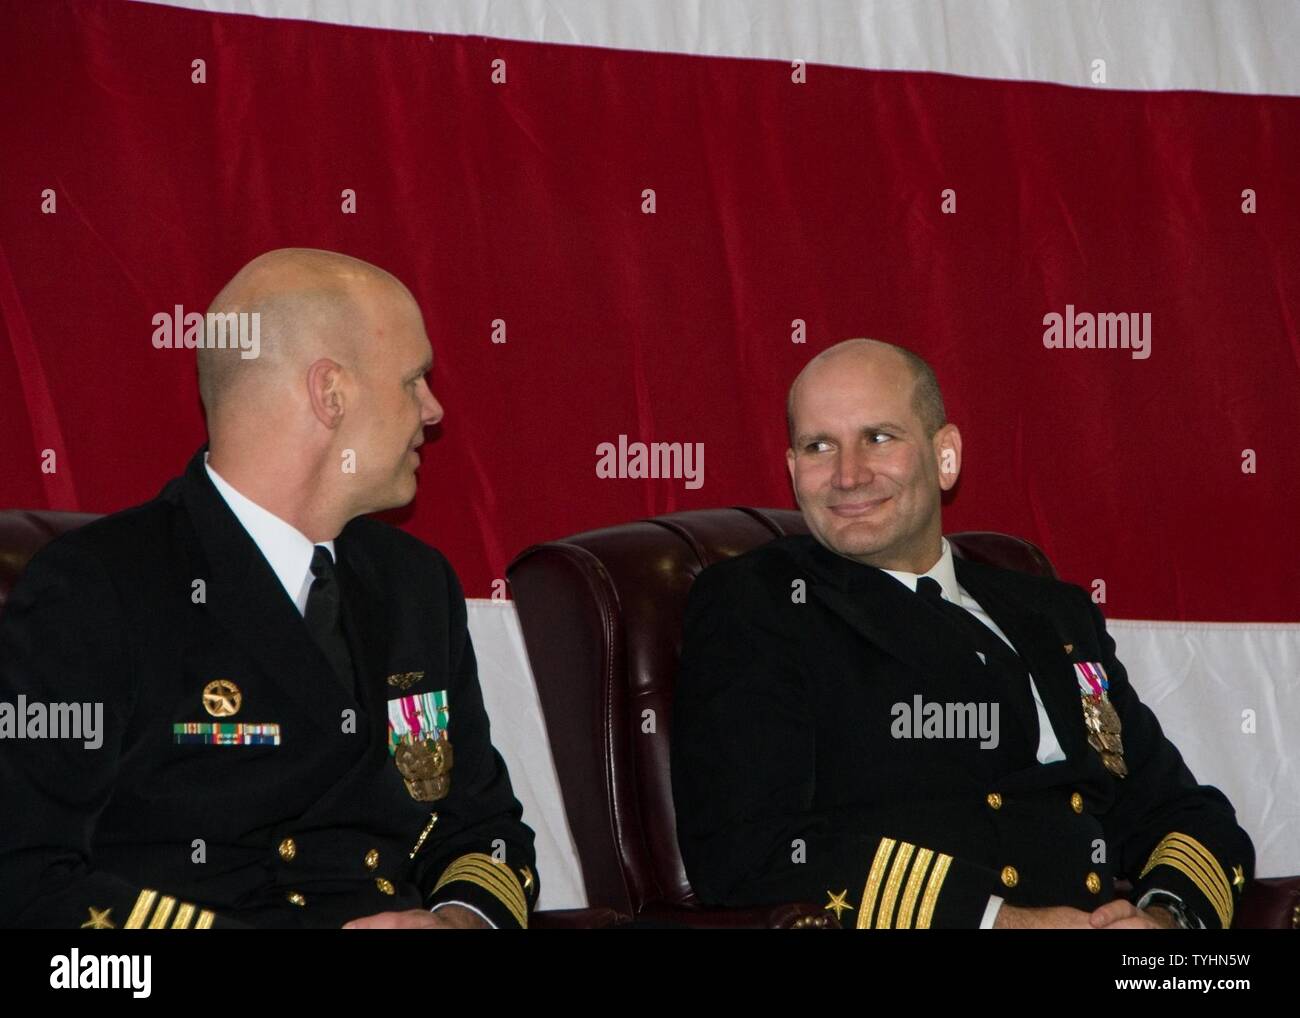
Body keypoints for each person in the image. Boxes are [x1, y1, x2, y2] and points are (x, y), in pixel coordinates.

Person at [0, 249, 537, 929]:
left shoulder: (413, 584)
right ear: (330, 393)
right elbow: (28, 884)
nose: (432, 411)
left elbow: (484, 831)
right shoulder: (98, 589)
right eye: (413, 380)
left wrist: (459, 922)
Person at [671, 338, 1252, 929]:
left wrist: (1165, 919)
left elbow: (1177, 809)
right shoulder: (760, 604)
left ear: (945, 456)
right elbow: (743, 846)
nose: (847, 475)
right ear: (794, 471)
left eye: (878, 437)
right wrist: (1001, 921)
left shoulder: (1052, 614)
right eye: (819, 446)